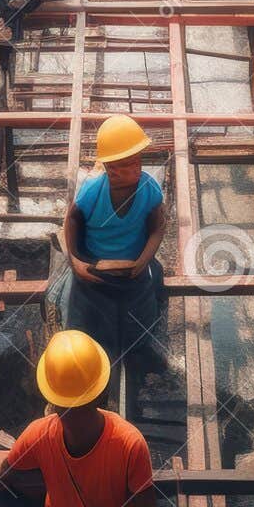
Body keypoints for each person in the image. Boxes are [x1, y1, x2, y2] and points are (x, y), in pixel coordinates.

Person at [0, 330, 160, 507]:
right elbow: (146, 503)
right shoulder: (129, 441)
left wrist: (5, 462)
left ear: (52, 400)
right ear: (100, 392)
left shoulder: (39, 435)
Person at [50, 115, 165, 364]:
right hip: (95, 265)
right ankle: (89, 352)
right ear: (111, 169)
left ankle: (139, 348)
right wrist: (77, 263)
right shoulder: (92, 191)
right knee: (84, 312)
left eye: (138, 160)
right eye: (128, 164)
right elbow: (72, 221)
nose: (137, 167)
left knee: (143, 306)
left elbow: (158, 227)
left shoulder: (149, 189)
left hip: (132, 265)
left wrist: (143, 261)